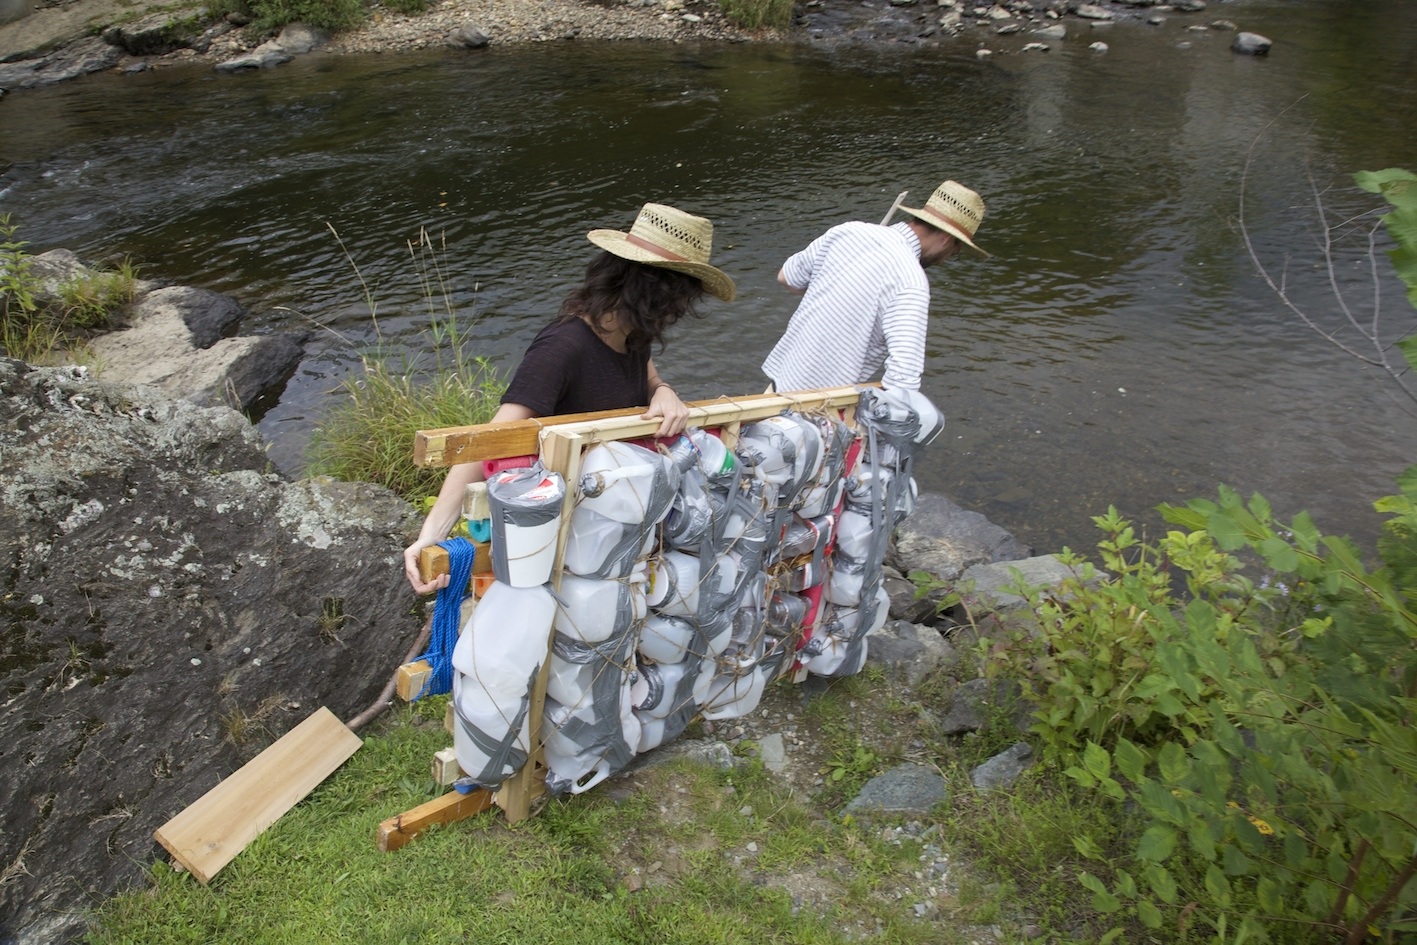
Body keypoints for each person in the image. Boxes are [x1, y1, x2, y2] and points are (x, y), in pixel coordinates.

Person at [403, 202, 736, 594]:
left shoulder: (631, 335)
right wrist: (431, 535)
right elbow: (492, 437)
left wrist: (664, 392)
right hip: (558, 543)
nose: (680, 311)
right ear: (654, 291)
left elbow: (651, 380)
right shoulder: (563, 347)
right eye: (680, 298)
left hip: (609, 532)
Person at [760, 180, 987, 394]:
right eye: (954, 252)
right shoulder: (911, 281)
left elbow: (786, 277)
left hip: (775, 390)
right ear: (947, 240)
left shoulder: (849, 231)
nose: (947, 258)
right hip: (819, 410)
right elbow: (903, 381)